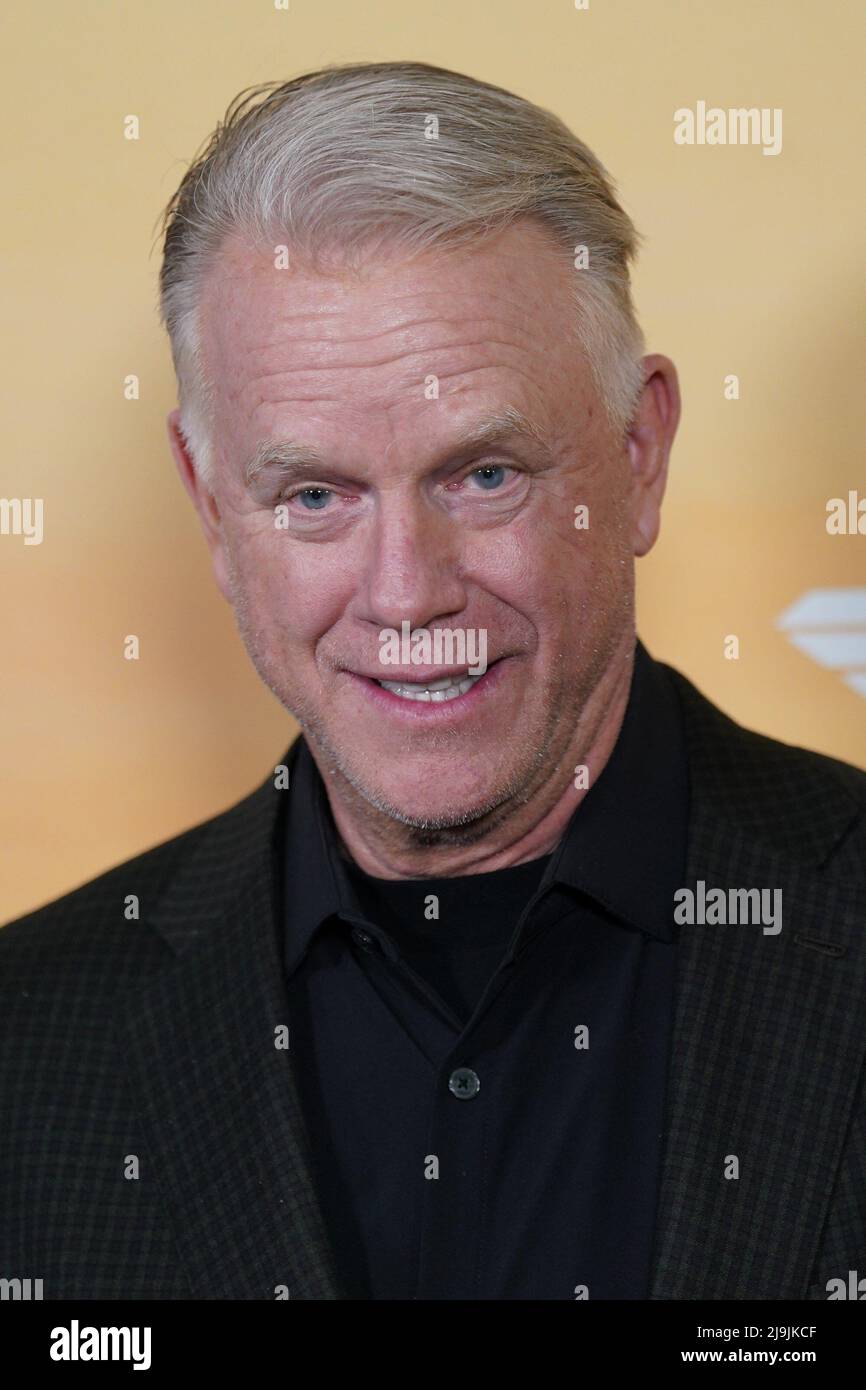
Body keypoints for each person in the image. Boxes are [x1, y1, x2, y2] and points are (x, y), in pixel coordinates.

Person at [2, 61, 864, 1301]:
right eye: (313, 496)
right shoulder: (27, 1048)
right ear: (207, 508)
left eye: (484, 475)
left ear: (639, 455)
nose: (407, 592)